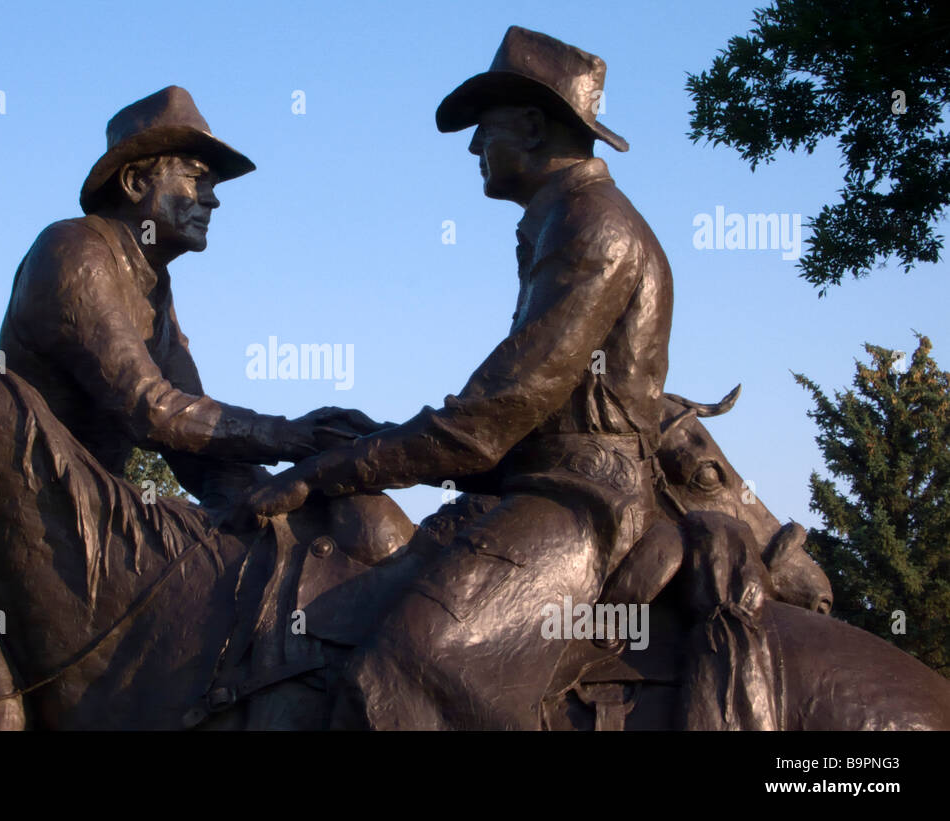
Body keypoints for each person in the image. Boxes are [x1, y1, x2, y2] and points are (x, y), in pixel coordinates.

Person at [231, 27, 675, 729]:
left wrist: (325, 471)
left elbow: (493, 416)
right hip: (538, 485)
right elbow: (505, 418)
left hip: (580, 501)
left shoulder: (596, 226)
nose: (472, 149)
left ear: (531, 127)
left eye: (484, 130)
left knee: (404, 666)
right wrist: (370, 441)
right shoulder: (562, 218)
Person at [0, 86, 380, 511]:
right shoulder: (73, 253)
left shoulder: (153, 283)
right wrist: (297, 436)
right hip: (31, 510)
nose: (213, 199)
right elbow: (151, 410)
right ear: (135, 182)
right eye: (196, 178)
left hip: (84, 507)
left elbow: (191, 429)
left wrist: (292, 492)